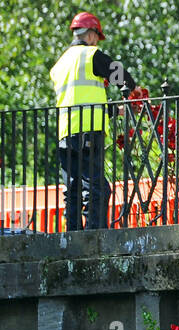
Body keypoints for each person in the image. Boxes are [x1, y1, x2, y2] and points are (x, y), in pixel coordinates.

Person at [49, 12, 137, 232]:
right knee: (97, 187)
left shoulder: (60, 64)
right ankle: (95, 234)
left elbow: (79, 99)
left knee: (73, 189)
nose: (97, 42)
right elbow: (119, 74)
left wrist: (113, 110)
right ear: (89, 34)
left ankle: (73, 234)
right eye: (97, 37)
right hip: (89, 131)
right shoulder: (90, 55)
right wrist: (134, 91)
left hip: (65, 133)